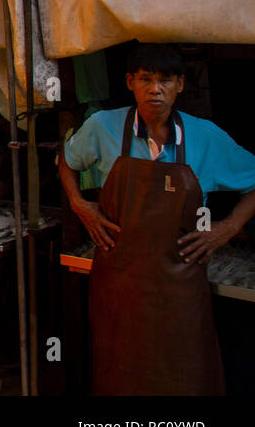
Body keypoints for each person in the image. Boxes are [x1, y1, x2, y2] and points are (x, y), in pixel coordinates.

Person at [60, 43, 255, 394]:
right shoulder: (102, 126)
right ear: (130, 81)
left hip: (180, 288)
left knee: (184, 378)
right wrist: (79, 204)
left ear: (180, 85)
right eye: (146, 79)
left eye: (165, 80)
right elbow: (66, 160)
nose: (155, 89)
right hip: (117, 285)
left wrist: (227, 228)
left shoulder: (206, 136)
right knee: (118, 376)